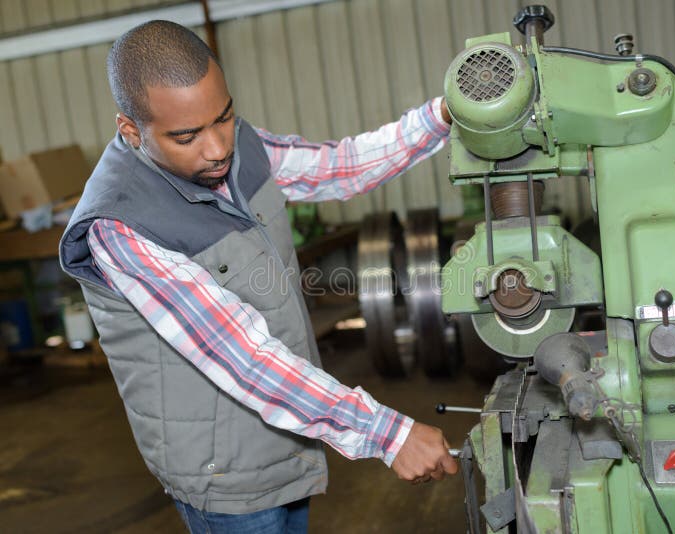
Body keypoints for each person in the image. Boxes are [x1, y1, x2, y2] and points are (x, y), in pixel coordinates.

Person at [59, 20, 457, 534]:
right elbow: (244, 358)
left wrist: (443, 114)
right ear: (131, 130)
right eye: (187, 136)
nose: (217, 148)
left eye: (223, 117)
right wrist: (388, 434)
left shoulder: (238, 142)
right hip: (225, 477)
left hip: (288, 440)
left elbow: (341, 166)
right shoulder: (120, 226)